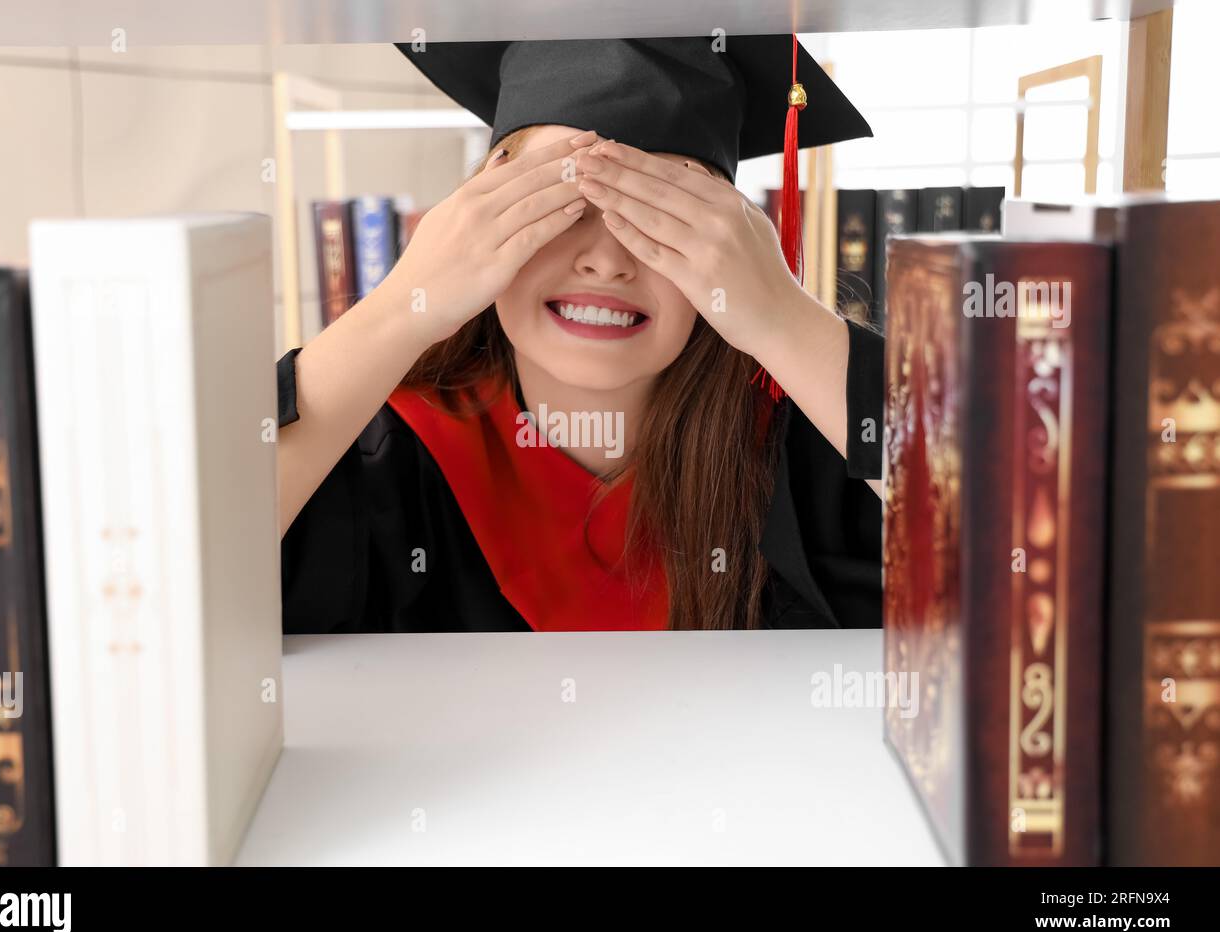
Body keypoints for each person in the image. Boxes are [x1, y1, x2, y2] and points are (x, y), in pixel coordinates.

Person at [276, 35, 883, 633]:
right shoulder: (383, 452)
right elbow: (191, 570)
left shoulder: (807, 447)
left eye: (661, 212)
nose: (607, 261)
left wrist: (783, 317)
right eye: (558, 201)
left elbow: (972, 528)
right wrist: (402, 310)